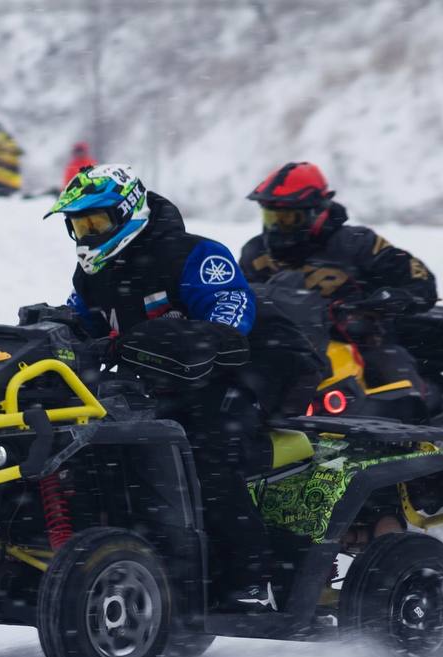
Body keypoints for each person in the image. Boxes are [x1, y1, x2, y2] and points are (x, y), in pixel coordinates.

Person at [48, 164, 319, 610]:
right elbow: (83, 324)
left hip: (260, 363)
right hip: (175, 374)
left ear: (129, 213)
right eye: (78, 224)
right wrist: (52, 327)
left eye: (96, 223)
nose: (87, 234)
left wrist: (186, 338)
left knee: (205, 446)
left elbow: (231, 319)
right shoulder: (92, 274)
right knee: (97, 437)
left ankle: (250, 580)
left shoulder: (195, 256)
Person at [240, 161, 438, 402]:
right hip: (283, 347)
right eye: (272, 217)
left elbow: (422, 281)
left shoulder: (358, 243)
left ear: (318, 210)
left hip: (362, 345)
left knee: (403, 388)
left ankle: (436, 430)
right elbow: (239, 297)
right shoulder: (255, 253)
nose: (278, 226)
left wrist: (392, 299)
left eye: (289, 218)